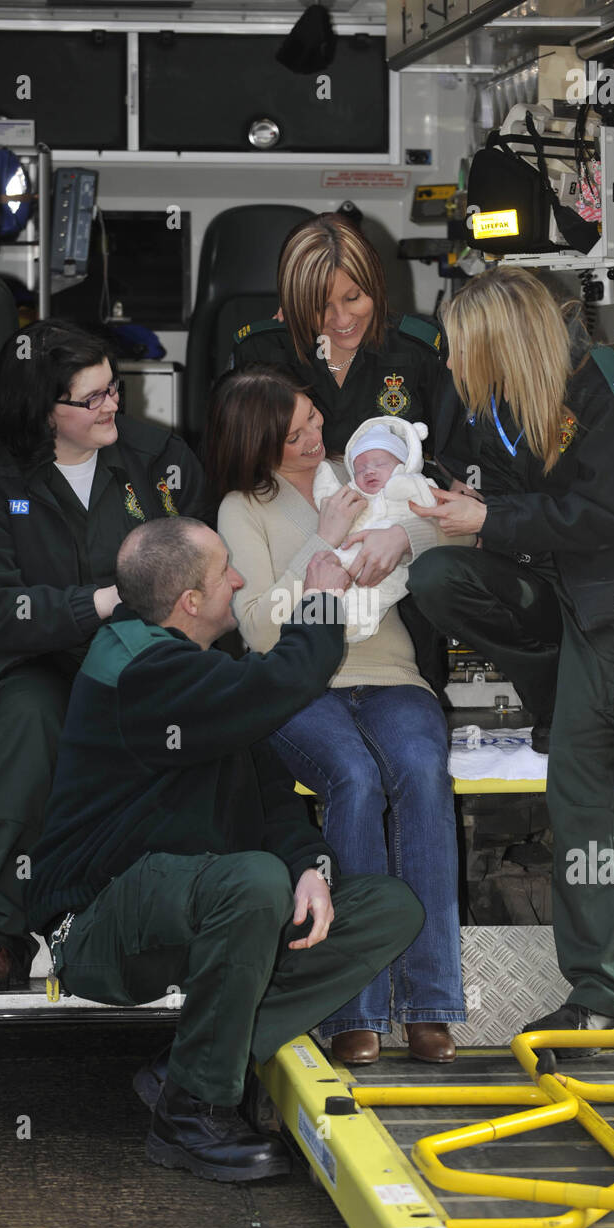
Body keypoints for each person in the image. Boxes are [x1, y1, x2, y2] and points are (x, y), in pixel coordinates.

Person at [26, 516, 424, 1181]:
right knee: (253, 881)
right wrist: (319, 606)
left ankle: (190, 1066)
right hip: (99, 925)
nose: (238, 581)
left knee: (388, 907)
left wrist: (309, 871)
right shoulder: (137, 665)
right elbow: (273, 686)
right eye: (224, 573)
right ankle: (192, 1115)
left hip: (197, 910)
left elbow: (271, 799)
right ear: (189, 601)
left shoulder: (203, 672)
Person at [407, 266, 614, 1049]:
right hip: (553, 603)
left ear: (503, 338)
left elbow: (595, 519)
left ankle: (603, 995)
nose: (453, 362)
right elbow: (482, 505)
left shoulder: (607, 388)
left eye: (464, 346)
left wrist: (486, 515)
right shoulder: (487, 399)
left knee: (578, 790)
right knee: (437, 576)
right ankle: (556, 702)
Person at [211, 365, 467, 1066]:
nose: (314, 437)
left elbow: (457, 529)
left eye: (315, 421)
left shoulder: (364, 469)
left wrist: (408, 538)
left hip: (390, 675)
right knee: (352, 778)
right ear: (256, 441)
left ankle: (428, 1004)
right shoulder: (242, 508)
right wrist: (320, 542)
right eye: (294, 435)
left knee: (420, 772)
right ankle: (351, 1005)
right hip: (297, 684)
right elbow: (262, 631)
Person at [0, 320, 210, 991]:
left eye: (112, 389)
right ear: (44, 411)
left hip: (138, 656)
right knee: (29, 723)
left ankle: (169, 925)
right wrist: (102, 600)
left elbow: (199, 570)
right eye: (91, 399)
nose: (112, 405)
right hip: (28, 664)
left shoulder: (159, 462)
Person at [230, 211, 448, 458]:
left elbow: (451, 459)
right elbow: (236, 463)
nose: (343, 319)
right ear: (293, 303)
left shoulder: (419, 348)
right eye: (320, 306)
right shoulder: (260, 353)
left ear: (376, 286)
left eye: (353, 298)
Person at [313, 416, 440, 640]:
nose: (369, 471)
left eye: (380, 464)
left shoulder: (415, 486)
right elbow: (329, 501)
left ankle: (357, 624)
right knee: (338, 585)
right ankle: (332, 621)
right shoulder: (354, 493)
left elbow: (437, 513)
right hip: (348, 556)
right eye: (360, 468)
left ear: (404, 464)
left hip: (392, 566)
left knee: (378, 591)